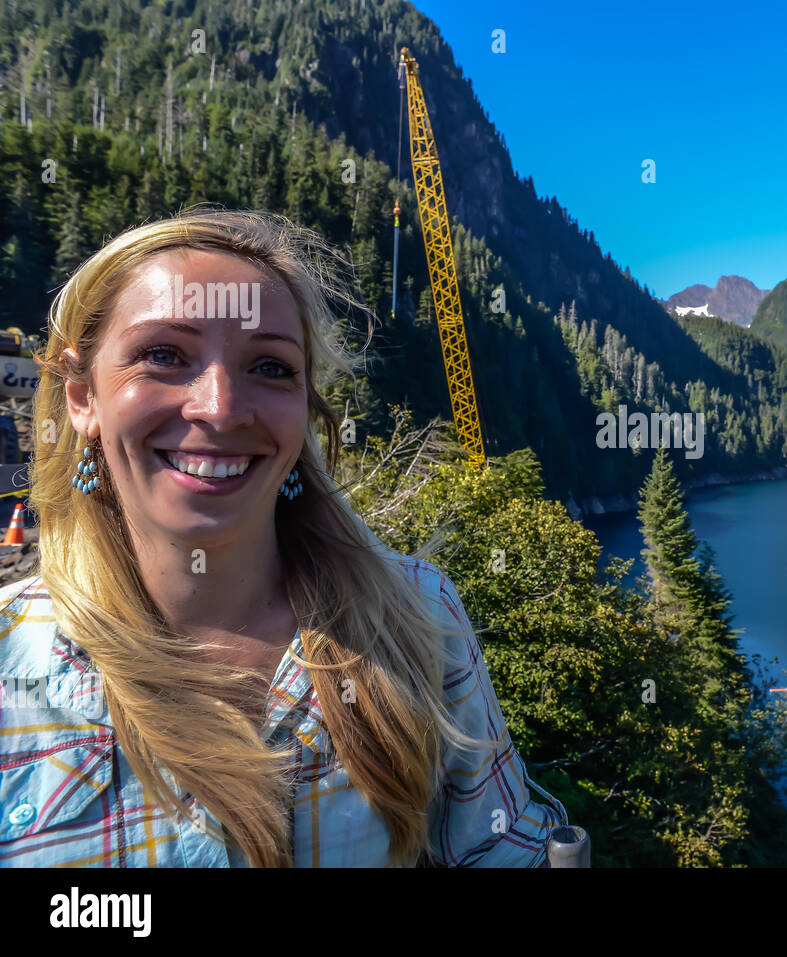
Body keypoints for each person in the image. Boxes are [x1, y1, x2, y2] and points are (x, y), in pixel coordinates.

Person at [0, 209, 567, 867]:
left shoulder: (416, 615)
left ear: (304, 410)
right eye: (163, 355)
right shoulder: (14, 659)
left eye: (269, 367)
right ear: (81, 396)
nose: (218, 407)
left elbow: (505, 848)